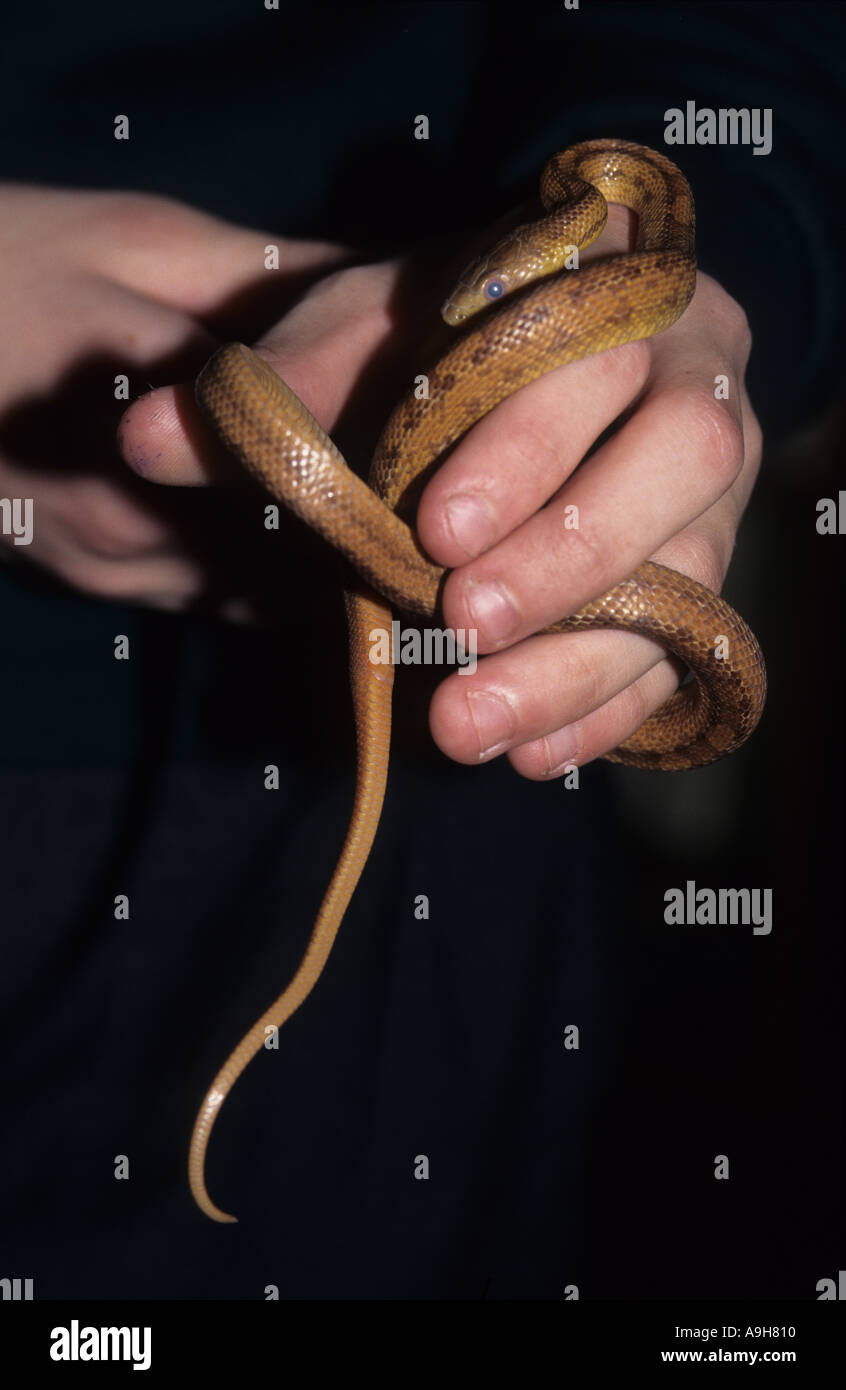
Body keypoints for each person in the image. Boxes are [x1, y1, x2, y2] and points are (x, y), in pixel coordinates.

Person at [0, 1, 840, 1299]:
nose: (502, 300)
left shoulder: (596, 223)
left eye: (512, 294)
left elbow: (749, 53)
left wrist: (719, 300)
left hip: (459, 817)